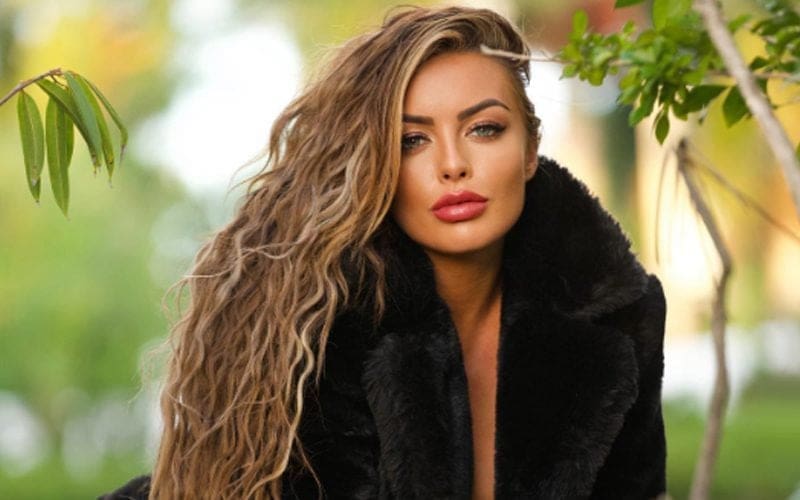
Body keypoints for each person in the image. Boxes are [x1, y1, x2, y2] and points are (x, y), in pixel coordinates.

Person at [101, 5, 667, 500]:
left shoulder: (619, 314)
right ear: (375, 165)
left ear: (530, 151)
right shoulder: (318, 326)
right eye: (412, 140)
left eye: (484, 129)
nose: (452, 164)